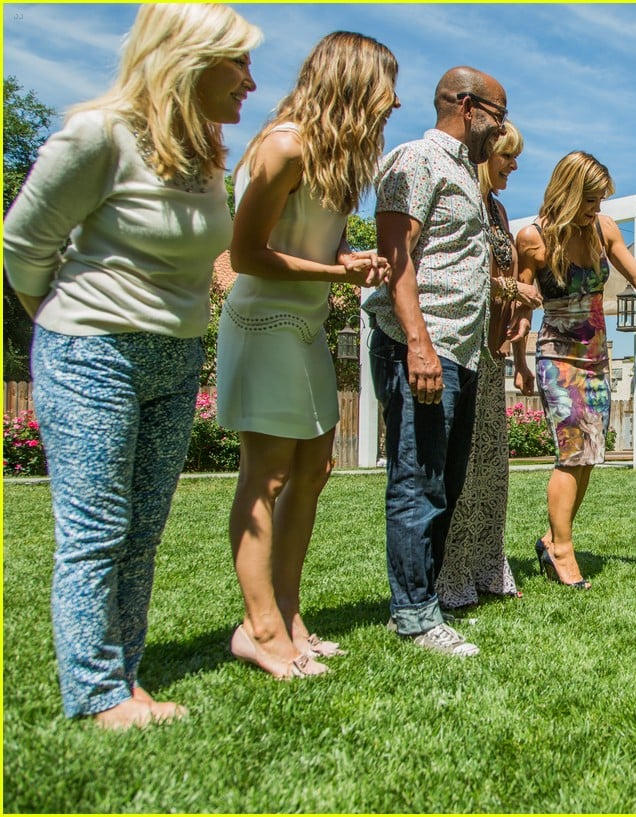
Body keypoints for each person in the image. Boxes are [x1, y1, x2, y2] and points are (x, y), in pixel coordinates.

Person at [1, 4, 262, 729]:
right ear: (190, 58)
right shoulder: (99, 134)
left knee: (143, 530)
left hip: (175, 358)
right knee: (97, 529)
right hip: (92, 350)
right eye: (237, 62)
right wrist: (73, 325)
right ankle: (94, 696)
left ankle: (125, 679)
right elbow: (22, 248)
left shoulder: (205, 151)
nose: (250, 80)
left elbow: (205, 255)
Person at [217, 32, 397, 679]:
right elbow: (245, 254)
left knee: (314, 467)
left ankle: (289, 613)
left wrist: (344, 262)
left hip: (305, 324)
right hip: (262, 319)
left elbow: (307, 248)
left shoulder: (332, 158)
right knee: (265, 474)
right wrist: (337, 270)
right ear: (351, 83)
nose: (393, 100)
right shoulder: (284, 145)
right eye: (385, 85)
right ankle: (258, 627)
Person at [365, 66, 508, 656]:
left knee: (444, 482)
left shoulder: (461, 174)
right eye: (498, 116)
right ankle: (415, 616)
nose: (502, 131)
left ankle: (428, 604)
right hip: (425, 346)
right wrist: (420, 345)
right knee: (418, 482)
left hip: (462, 350)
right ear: (469, 107)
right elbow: (395, 256)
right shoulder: (415, 159)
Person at [517, 152, 636, 588]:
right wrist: (518, 360)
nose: (597, 209)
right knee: (571, 453)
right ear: (568, 194)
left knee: (588, 456)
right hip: (558, 356)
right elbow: (521, 301)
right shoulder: (534, 238)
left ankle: (551, 540)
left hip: (597, 356)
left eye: (601, 200)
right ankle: (563, 553)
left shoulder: (602, 230)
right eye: (590, 200)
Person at [436, 121, 541, 610]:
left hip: (492, 351)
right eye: (508, 157)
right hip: (457, 345)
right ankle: (448, 574)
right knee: (459, 465)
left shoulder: (498, 210)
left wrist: (517, 322)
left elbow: (506, 276)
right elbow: (467, 274)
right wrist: (512, 290)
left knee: (490, 470)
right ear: (485, 155)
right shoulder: (464, 202)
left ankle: (485, 567)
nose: (515, 166)